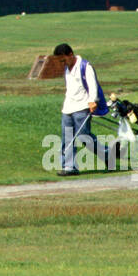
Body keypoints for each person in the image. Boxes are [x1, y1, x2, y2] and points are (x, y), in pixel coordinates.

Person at [52, 42, 105, 176]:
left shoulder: (85, 66)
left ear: (70, 54)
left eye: (63, 60)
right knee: (67, 138)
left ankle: (108, 156)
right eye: (60, 61)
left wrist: (93, 100)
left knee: (84, 137)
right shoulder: (67, 69)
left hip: (82, 107)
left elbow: (93, 85)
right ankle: (69, 167)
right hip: (68, 108)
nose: (62, 63)